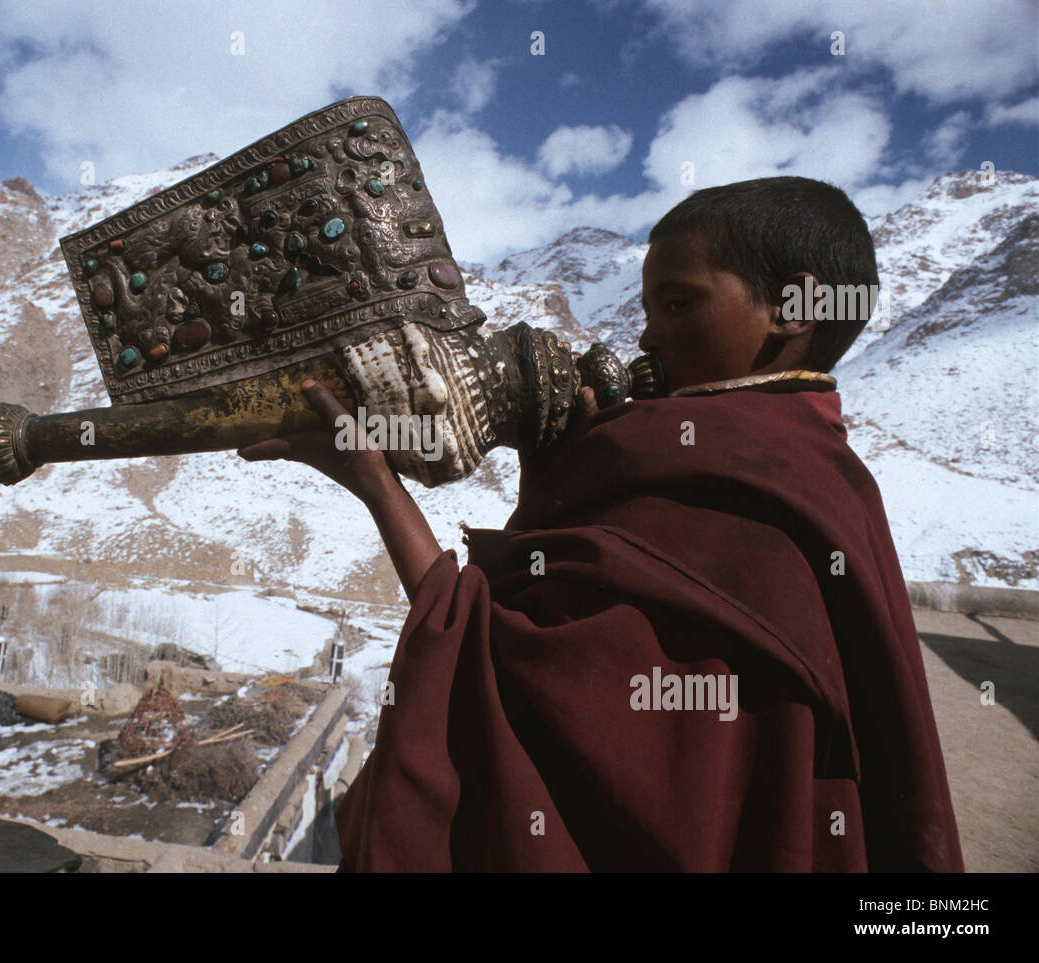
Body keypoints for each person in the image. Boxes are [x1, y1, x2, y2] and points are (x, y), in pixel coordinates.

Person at [236, 176, 964, 872]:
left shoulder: (738, 494)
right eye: (649, 311)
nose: (647, 339)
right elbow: (548, 614)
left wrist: (376, 485)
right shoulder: (814, 468)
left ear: (797, 306)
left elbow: (513, 675)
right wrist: (550, 483)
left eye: (678, 305)